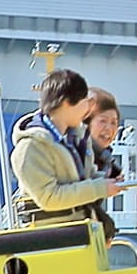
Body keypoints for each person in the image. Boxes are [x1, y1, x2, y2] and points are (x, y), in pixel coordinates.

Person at [10, 69, 120, 229]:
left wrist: (108, 180)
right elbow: (49, 198)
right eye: (85, 101)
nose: (89, 108)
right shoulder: (30, 147)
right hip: (52, 240)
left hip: (79, 233)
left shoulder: (74, 138)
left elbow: (82, 179)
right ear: (66, 102)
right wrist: (100, 188)